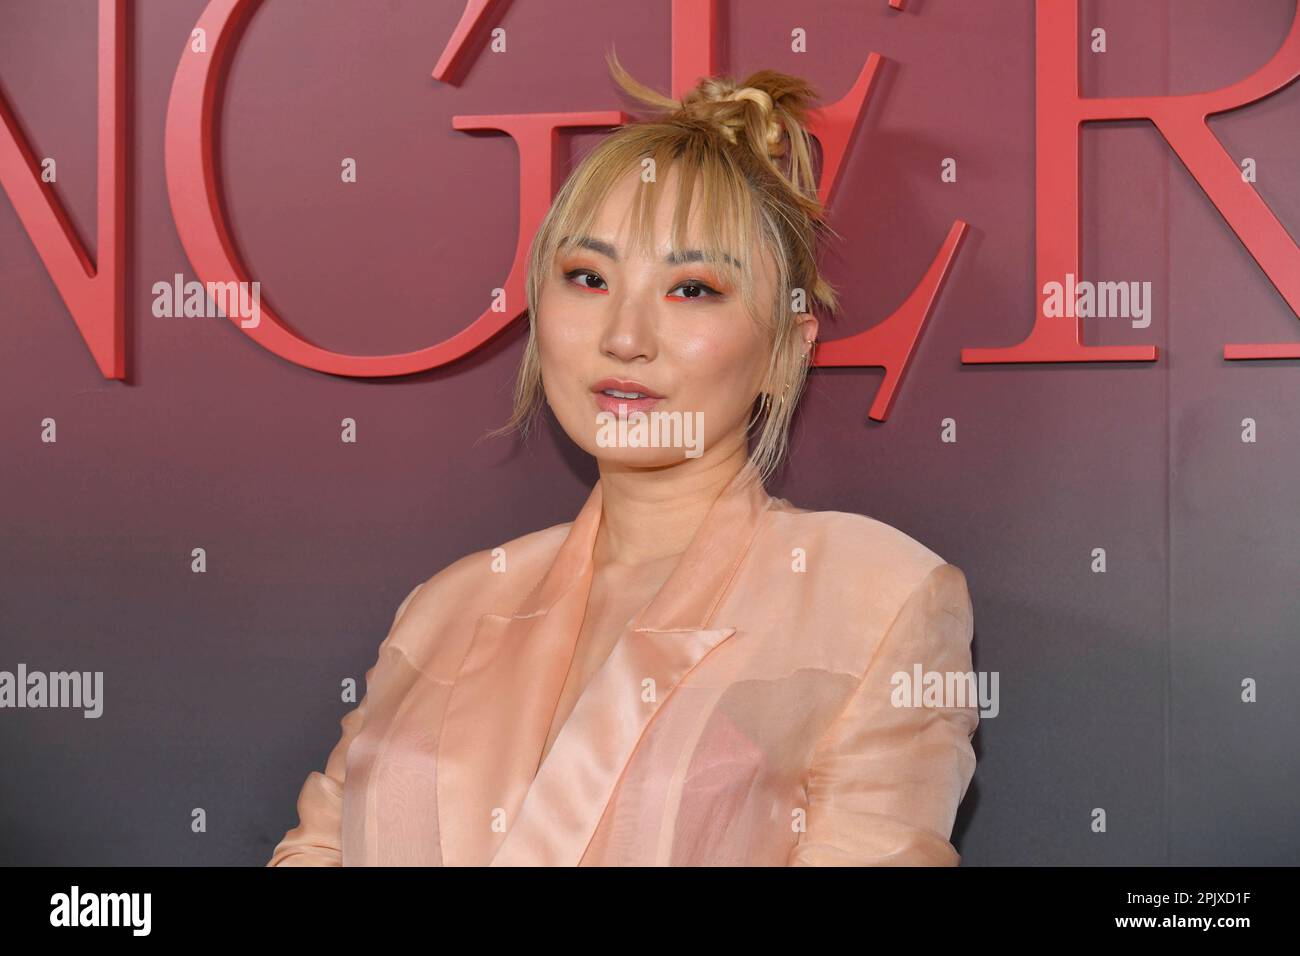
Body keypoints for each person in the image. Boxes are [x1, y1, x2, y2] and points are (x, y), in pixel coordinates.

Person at [268, 53, 979, 867]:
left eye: (692, 289)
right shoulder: (448, 605)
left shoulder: (880, 599)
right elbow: (314, 851)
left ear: (786, 350)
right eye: (587, 277)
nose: (625, 338)